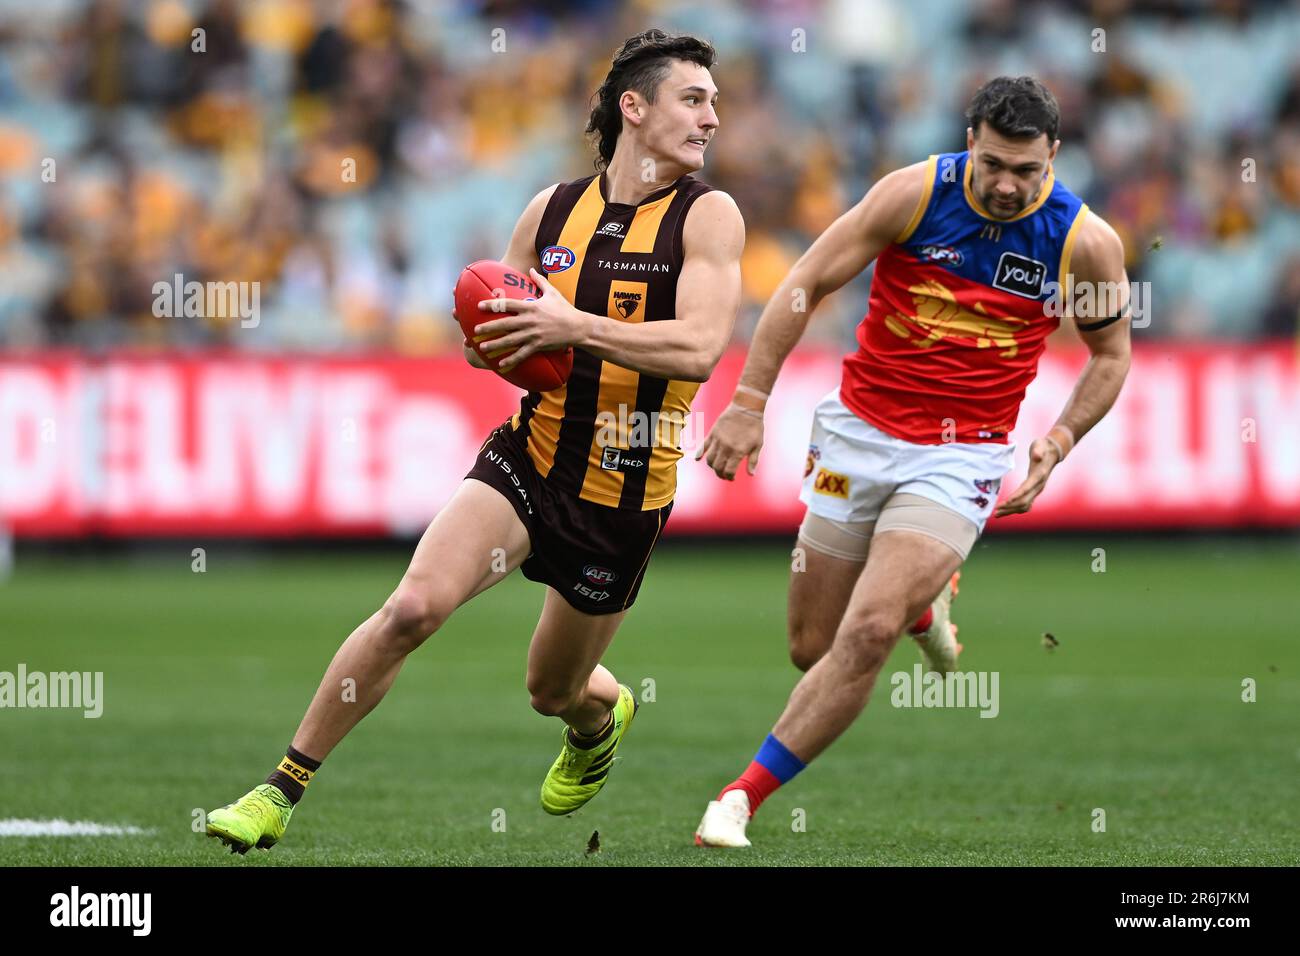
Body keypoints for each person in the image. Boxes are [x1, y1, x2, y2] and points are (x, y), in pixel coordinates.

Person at [205, 29, 744, 853]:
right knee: (411, 608)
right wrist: (498, 337)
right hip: (528, 460)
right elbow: (494, 333)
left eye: (713, 101)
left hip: (622, 497)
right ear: (635, 108)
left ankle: (599, 717)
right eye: (694, 99)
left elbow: (702, 347)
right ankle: (278, 791)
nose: (712, 117)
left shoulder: (709, 216)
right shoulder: (553, 209)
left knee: (551, 690)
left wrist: (570, 324)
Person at [692, 75, 1131, 848]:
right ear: (970, 141)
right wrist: (749, 400)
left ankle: (739, 797)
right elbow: (806, 283)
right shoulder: (914, 195)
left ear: (1055, 156)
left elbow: (1110, 356)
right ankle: (924, 606)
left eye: (1026, 171)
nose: (1006, 184)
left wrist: (1057, 442)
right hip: (858, 437)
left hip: (961, 458)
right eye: (993, 164)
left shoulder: (1083, 241)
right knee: (811, 647)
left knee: (866, 633)